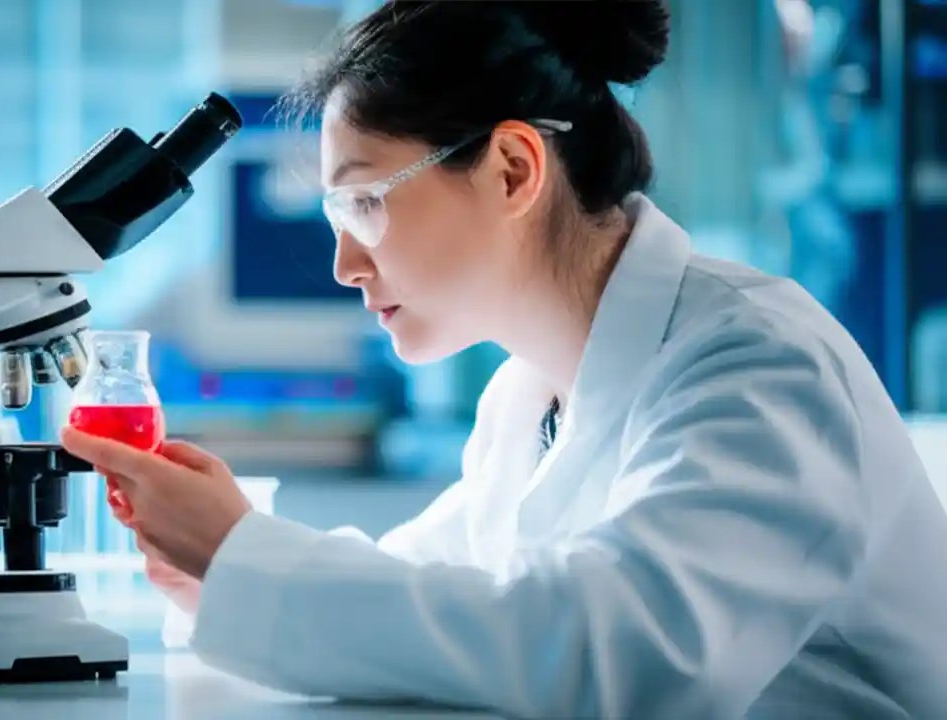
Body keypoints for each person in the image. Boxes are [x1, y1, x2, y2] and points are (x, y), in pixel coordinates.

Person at [61, 1, 947, 717]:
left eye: (365, 201)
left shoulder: (758, 367)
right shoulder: (526, 398)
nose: (343, 265)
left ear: (515, 169)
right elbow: (444, 592)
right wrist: (218, 565)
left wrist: (250, 558)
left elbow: (625, 656)